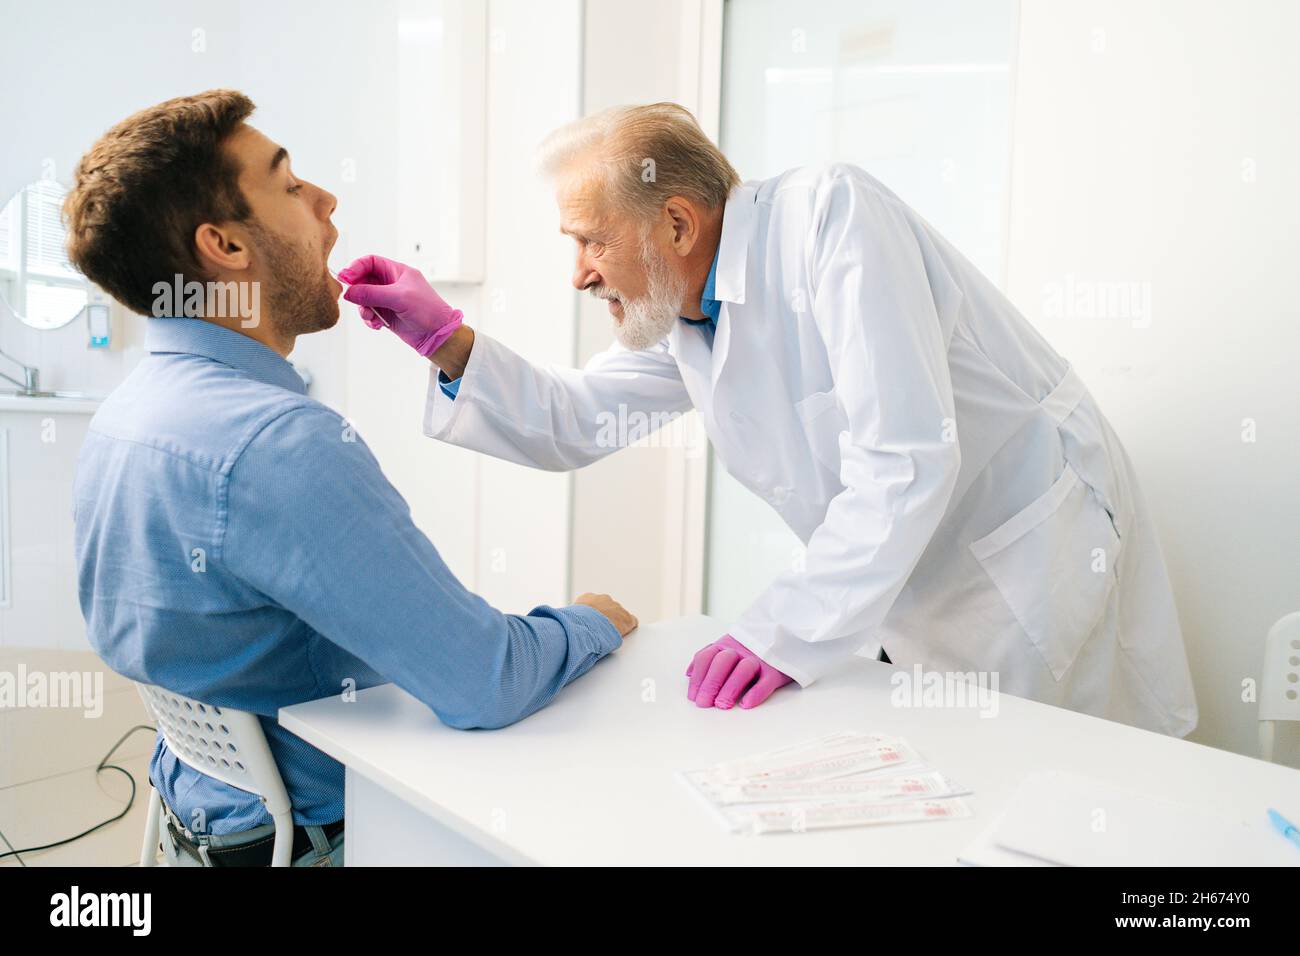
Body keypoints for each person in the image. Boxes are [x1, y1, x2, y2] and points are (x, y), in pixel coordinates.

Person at [339, 102, 1196, 736]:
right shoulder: (684, 313)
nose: (580, 274)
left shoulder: (832, 219)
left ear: (676, 221)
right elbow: (576, 419)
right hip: (916, 577)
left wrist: (781, 631)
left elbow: (904, 457)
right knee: (953, 781)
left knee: (1064, 790)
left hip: (1025, 546)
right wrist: (446, 341)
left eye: (590, 241)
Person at [66, 89, 637, 867]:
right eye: (291, 184)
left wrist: (449, 341)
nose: (328, 200)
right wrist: (592, 621)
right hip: (323, 841)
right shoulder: (278, 444)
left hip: (200, 816)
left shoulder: (128, 415)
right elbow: (487, 682)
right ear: (226, 248)